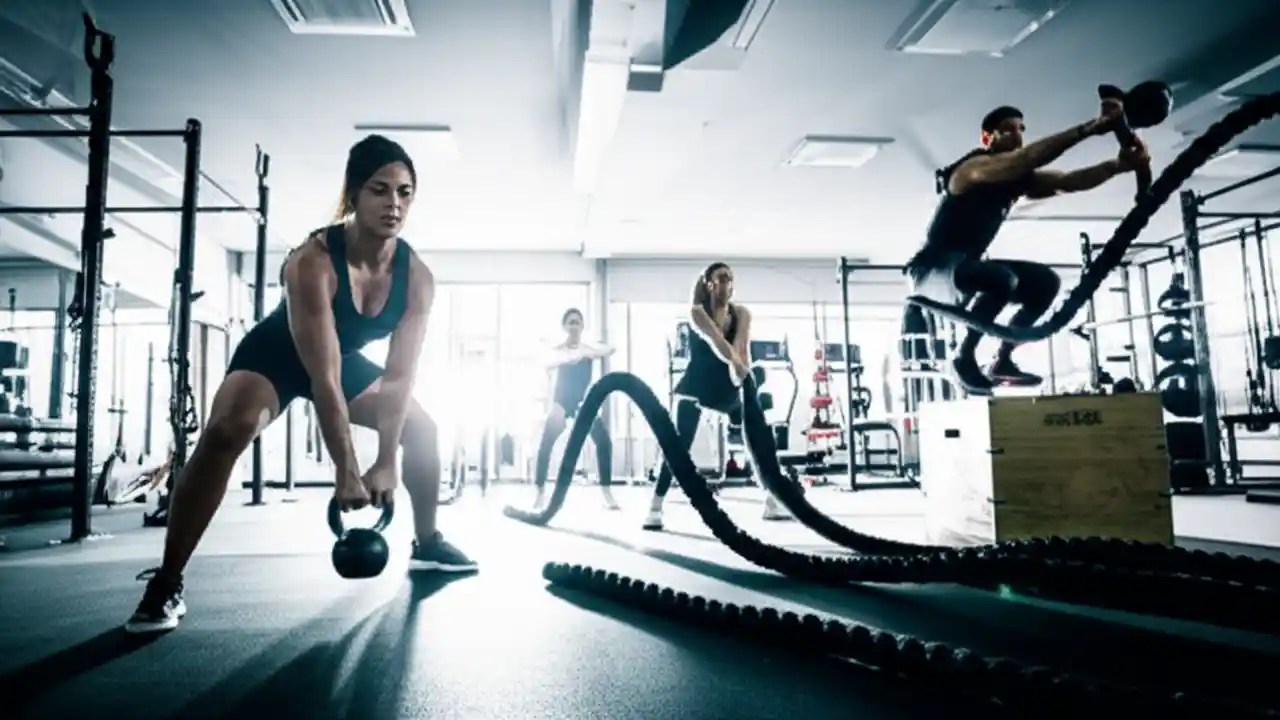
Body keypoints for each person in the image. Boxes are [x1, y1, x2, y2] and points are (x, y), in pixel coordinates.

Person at [124, 134, 477, 635]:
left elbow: (399, 376)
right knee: (228, 431)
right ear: (354, 194)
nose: (394, 204)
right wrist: (346, 470)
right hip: (277, 354)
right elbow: (323, 379)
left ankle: (428, 542)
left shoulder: (416, 277)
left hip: (342, 357)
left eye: (404, 192)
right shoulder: (311, 261)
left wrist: (383, 461)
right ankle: (167, 580)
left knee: (424, 428)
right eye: (380, 190)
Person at [905, 102, 1150, 395]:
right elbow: (1024, 159)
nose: (1016, 136)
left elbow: (1067, 181)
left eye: (1020, 130)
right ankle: (963, 357)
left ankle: (1002, 359)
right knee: (1001, 279)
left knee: (1045, 283)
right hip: (932, 270)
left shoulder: (1015, 181)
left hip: (966, 265)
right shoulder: (970, 169)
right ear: (987, 138)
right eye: (1007, 130)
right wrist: (1088, 128)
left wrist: (1118, 166)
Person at [643, 263, 788, 531]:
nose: (728, 284)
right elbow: (719, 344)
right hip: (697, 386)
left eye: (731, 279)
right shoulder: (697, 313)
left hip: (727, 386)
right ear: (709, 283)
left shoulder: (742, 313)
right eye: (722, 278)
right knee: (678, 445)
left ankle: (771, 499)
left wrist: (743, 376)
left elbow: (740, 348)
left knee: (757, 436)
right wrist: (737, 366)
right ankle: (655, 505)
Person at [532, 308, 618, 510]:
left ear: (582, 327)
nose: (574, 326)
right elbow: (545, 363)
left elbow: (611, 349)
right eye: (570, 322)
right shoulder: (557, 350)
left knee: (603, 441)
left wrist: (591, 349)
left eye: (577, 322)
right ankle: (540, 492)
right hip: (561, 401)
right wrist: (565, 359)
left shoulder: (587, 349)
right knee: (546, 444)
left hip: (583, 402)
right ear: (564, 326)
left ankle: (606, 491)